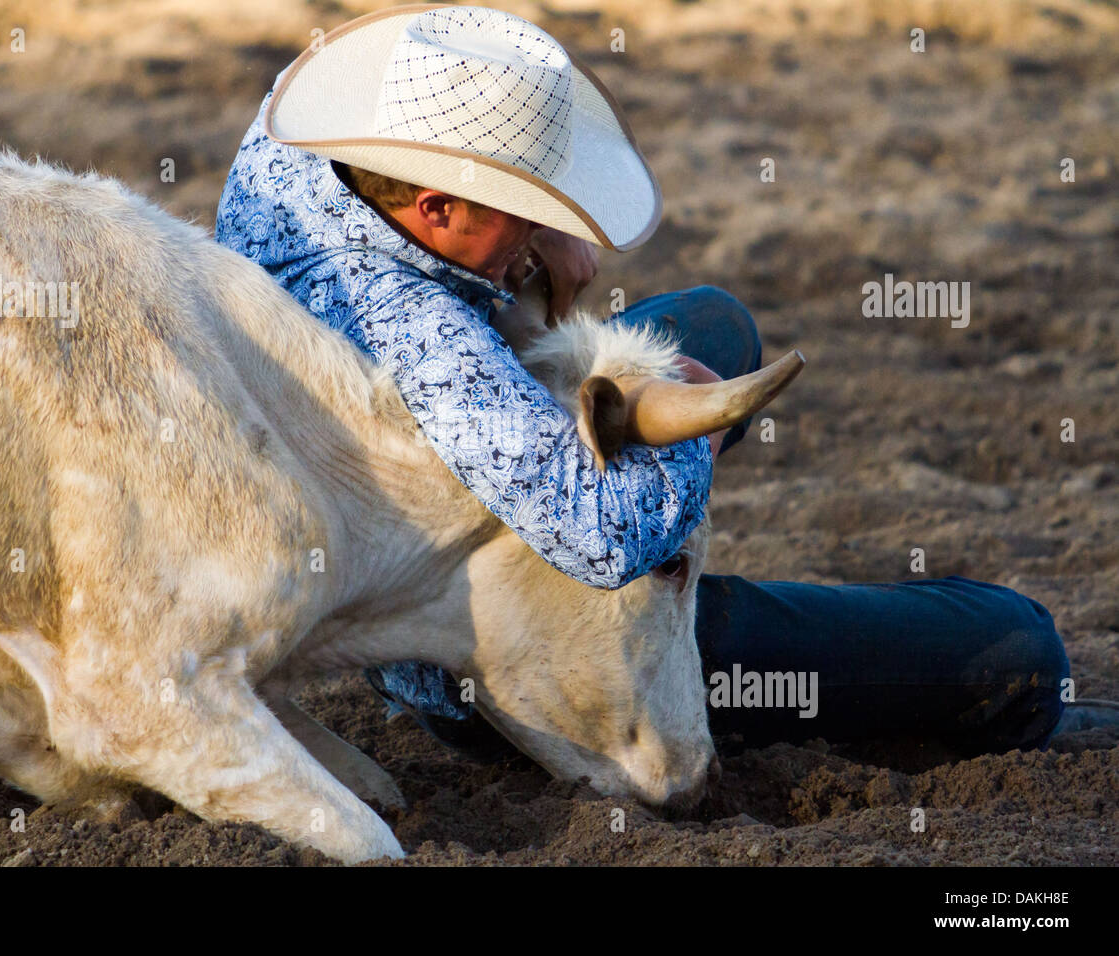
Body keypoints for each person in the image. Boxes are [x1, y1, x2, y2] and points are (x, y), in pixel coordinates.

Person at [216, 5, 1114, 766]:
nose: (548, 222)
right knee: (1021, 652)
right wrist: (689, 419)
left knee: (717, 322)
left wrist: (527, 246)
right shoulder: (408, 326)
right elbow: (605, 541)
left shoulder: (300, 143)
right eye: (524, 204)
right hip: (499, 648)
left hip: (430, 482)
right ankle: (691, 629)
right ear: (439, 208)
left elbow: (459, 293)